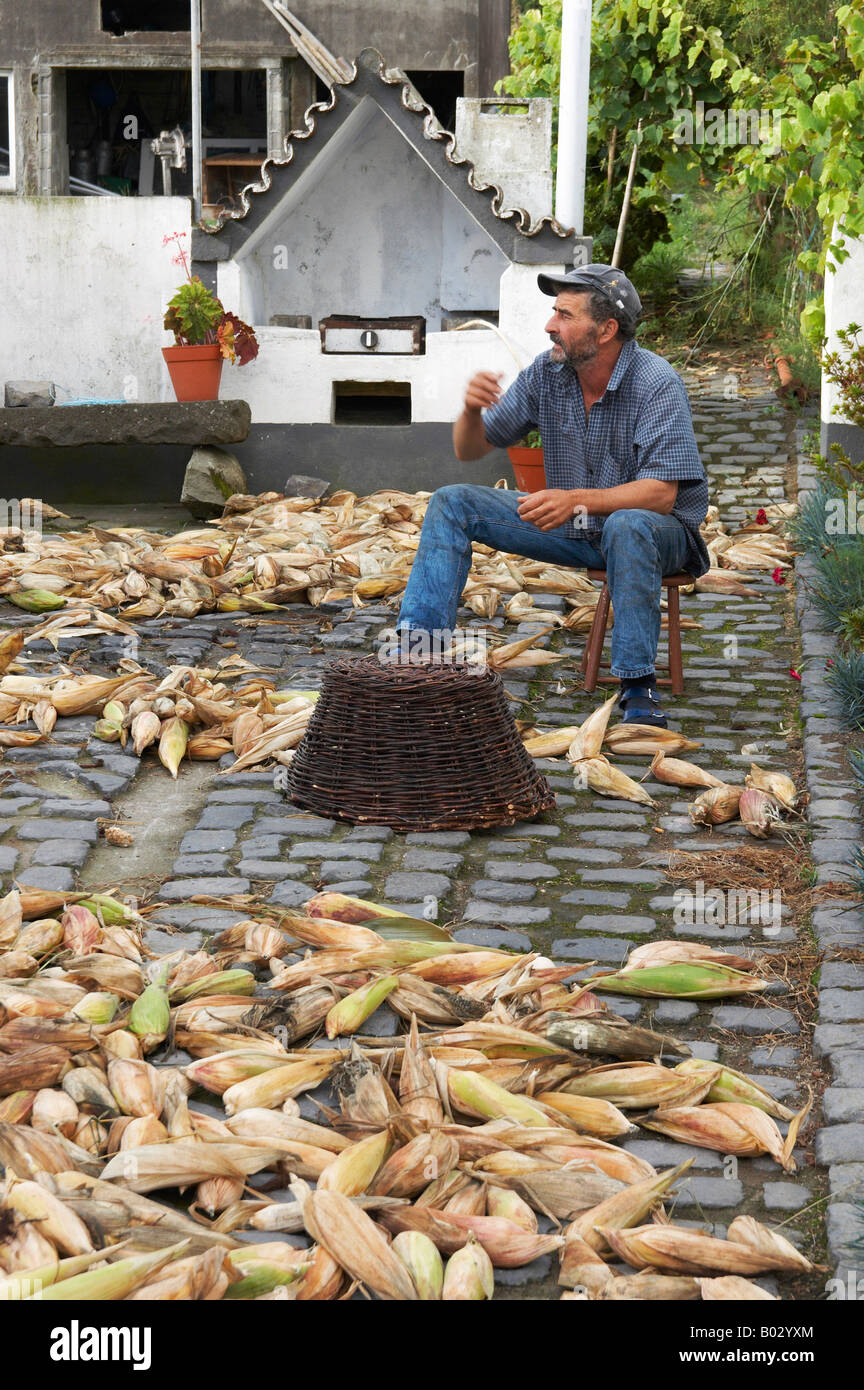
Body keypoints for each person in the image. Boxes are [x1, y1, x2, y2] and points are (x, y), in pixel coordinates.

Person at [394, 263, 710, 727]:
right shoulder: (549, 374)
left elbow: (662, 494)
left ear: (605, 330)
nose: (549, 326)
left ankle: (637, 688)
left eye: (564, 315)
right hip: (576, 527)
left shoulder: (656, 382)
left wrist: (576, 498)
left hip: (658, 535)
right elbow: (471, 449)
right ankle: (415, 656)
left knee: (628, 524)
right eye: (553, 312)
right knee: (452, 501)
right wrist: (469, 409)